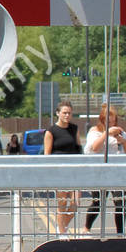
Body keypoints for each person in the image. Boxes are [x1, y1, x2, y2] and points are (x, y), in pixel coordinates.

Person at [83, 103, 126, 234]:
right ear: (102, 119)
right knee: (98, 202)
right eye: (107, 120)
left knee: (120, 203)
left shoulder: (120, 131)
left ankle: (120, 233)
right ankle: (86, 228)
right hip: (99, 172)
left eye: (113, 120)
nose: (111, 123)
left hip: (118, 172)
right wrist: (106, 133)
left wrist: (123, 141)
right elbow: (94, 147)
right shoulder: (95, 131)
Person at [43, 101, 81, 236]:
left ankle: (62, 225)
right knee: (62, 203)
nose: (67, 115)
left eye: (69, 113)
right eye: (64, 112)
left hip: (74, 170)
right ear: (58, 113)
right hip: (59, 171)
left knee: (76, 202)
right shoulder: (51, 131)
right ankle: (62, 232)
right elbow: (47, 154)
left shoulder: (74, 128)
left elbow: (78, 147)